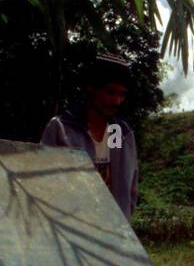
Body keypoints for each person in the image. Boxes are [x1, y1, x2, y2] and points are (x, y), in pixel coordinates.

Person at [40, 53, 139, 221]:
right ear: (91, 88)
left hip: (115, 233)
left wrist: (125, 218)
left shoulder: (120, 133)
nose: (117, 101)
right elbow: (43, 182)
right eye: (110, 92)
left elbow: (130, 186)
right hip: (72, 229)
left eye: (122, 94)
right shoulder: (63, 128)